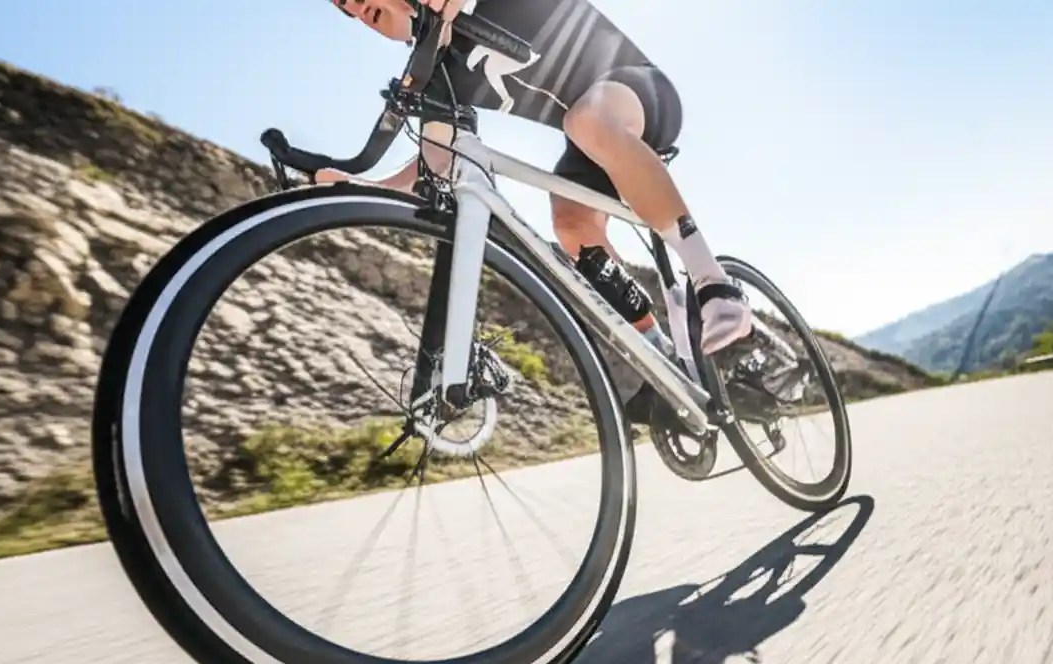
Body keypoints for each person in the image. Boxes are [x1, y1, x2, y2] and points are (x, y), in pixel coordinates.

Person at [320, 0, 795, 418]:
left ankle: (715, 285)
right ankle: (666, 361)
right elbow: (436, 161)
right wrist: (361, 187)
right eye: (351, 14)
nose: (363, 16)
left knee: (586, 119)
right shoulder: (438, 65)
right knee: (569, 225)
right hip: (586, 137)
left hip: (637, 93)